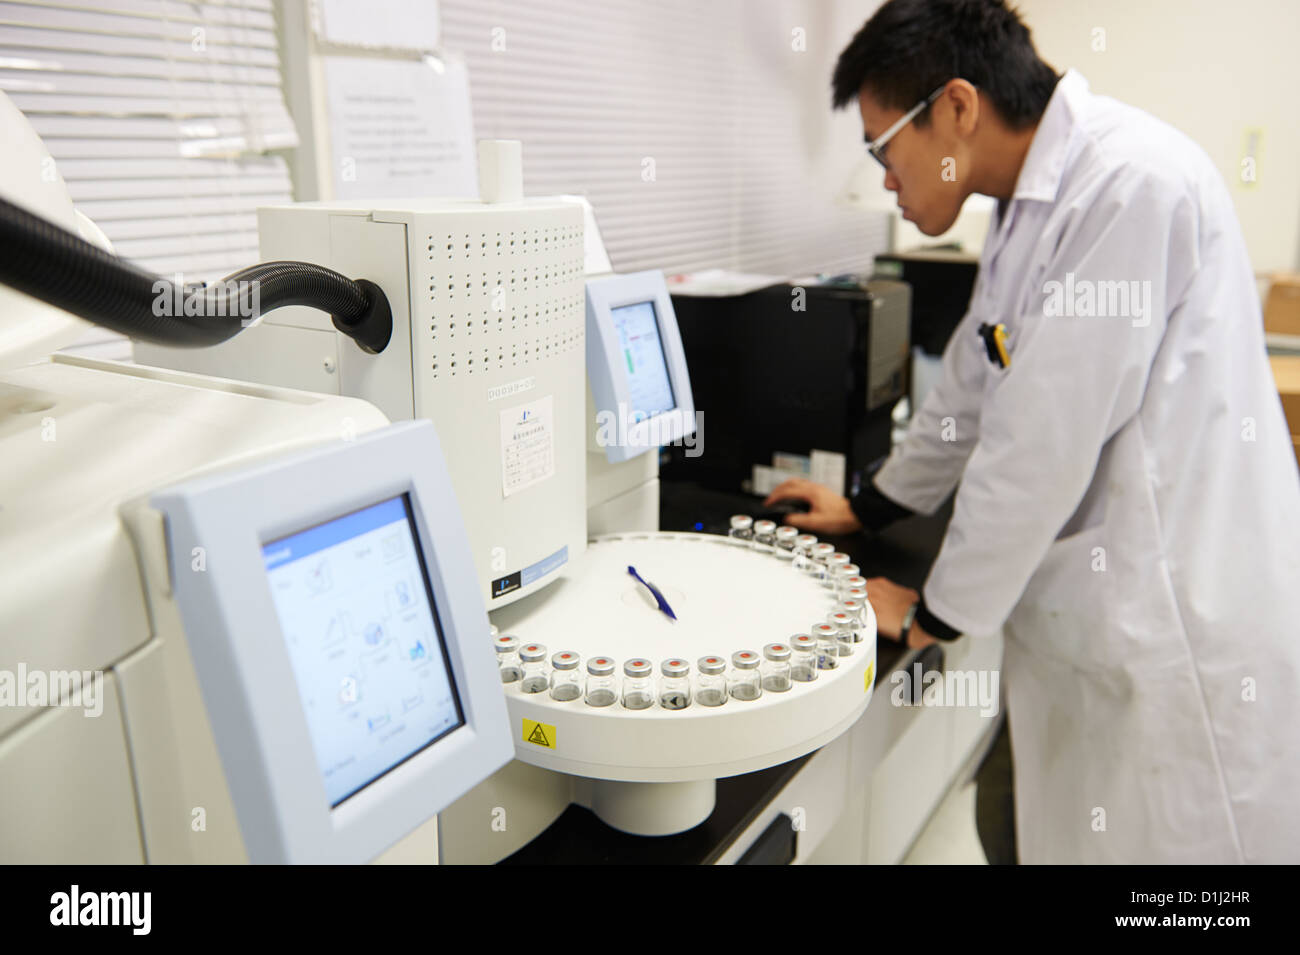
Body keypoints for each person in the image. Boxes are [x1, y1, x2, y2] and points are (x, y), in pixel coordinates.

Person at [765, 0, 1300, 864]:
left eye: (880, 148)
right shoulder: (1024, 208)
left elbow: (1038, 442)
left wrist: (930, 612)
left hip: (1178, 631)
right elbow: (973, 388)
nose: (885, 179)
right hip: (1095, 624)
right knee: (1017, 823)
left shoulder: (1131, 186)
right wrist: (869, 507)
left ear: (957, 108)